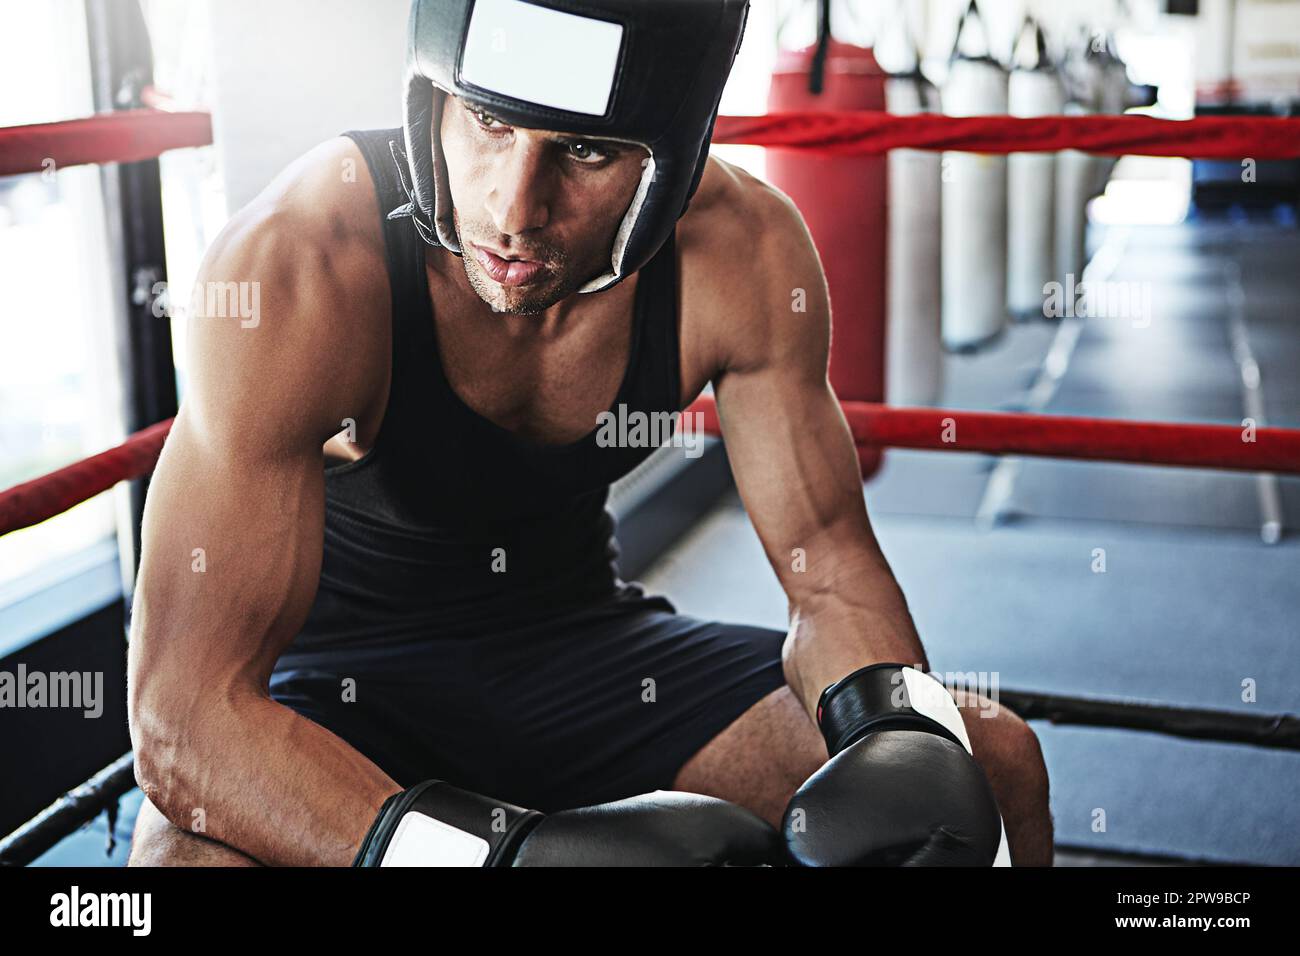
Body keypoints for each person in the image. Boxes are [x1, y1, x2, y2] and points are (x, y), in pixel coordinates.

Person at [127, 0, 1051, 866]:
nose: (513, 209)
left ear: (675, 162)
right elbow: (185, 720)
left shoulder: (742, 251)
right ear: (431, 99)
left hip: (585, 655)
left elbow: (830, 564)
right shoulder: (301, 264)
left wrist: (898, 731)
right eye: (488, 123)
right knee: (185, 859)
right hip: (336, 693)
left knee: (988, 762)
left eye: (584, 150)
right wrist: (503, 858)